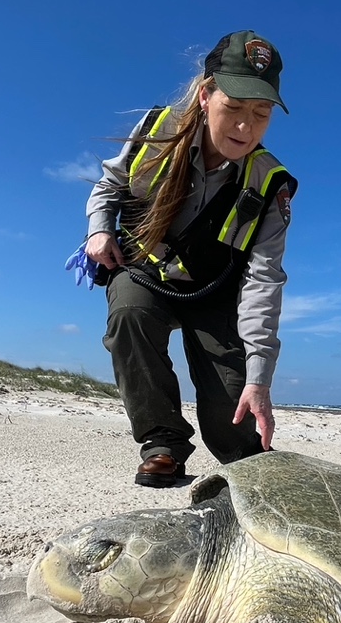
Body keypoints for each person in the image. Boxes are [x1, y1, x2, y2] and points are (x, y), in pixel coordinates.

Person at [81, 30, 298, 488]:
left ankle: (246, 460)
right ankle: (163, 443)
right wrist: (99, 231)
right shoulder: (156, 132)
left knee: (236, 429)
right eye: (234, 108)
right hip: (148, 272)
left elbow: (263, 281)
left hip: (216, 291)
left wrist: (259, 378)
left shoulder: (270, 183)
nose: (245, 127)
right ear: (205, 95)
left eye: (261, 114)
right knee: (129, 312)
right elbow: (109, 186)